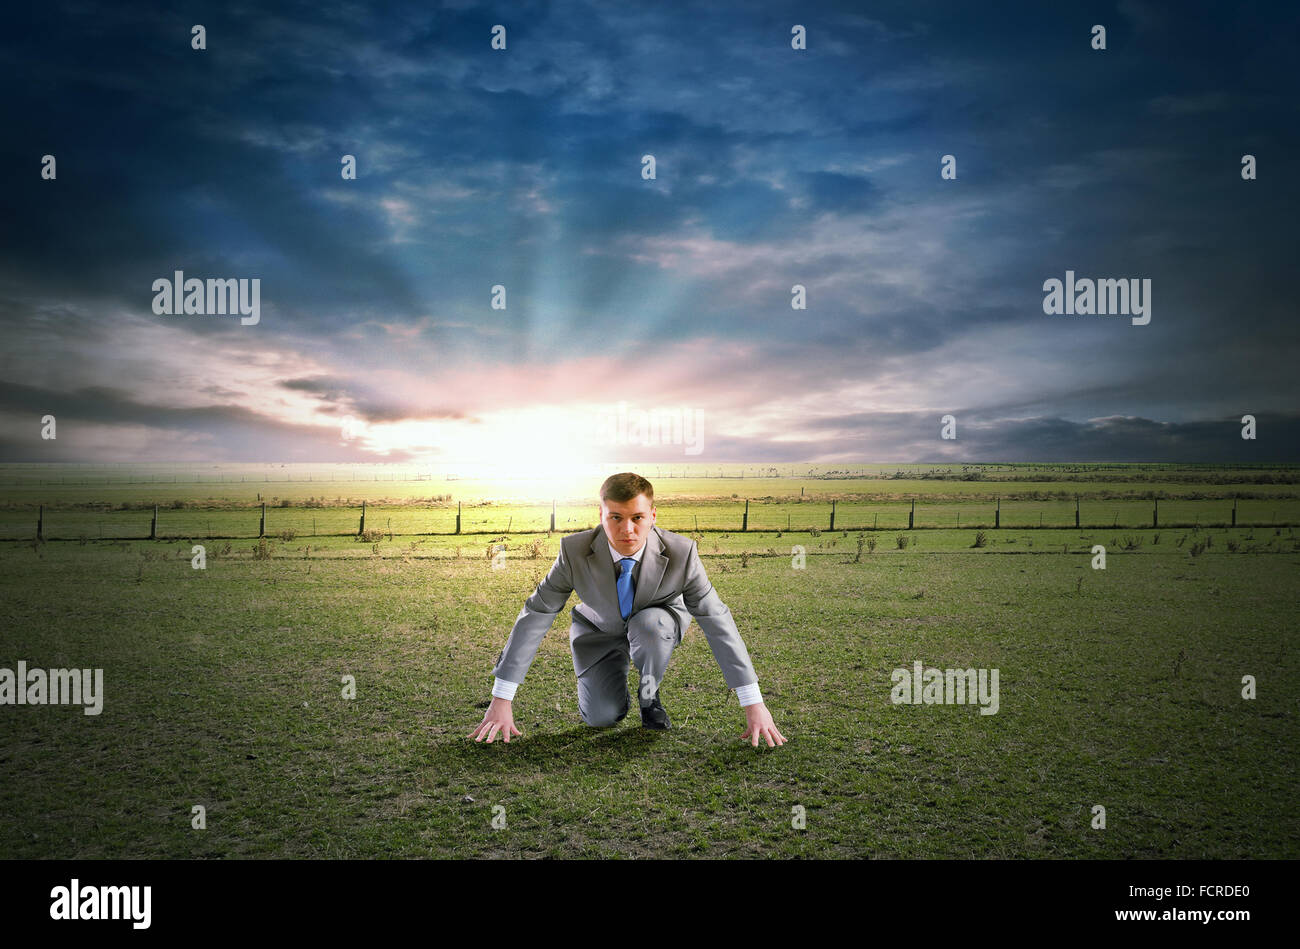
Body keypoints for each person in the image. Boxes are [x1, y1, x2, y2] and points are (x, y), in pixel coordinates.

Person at [468, 472, 786, 748]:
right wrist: (502, 697)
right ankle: (613, 699)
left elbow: (716, 619)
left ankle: (650, 695)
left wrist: (753, 702)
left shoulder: (682, 553)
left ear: (653, 516)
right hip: (599, 631)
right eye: (615, 518)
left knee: (648, 626)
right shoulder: (573, 551)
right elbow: (537, 613)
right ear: (601, 514)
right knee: (601, 718)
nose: (628, 530)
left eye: (637, 518)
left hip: (655, 624)